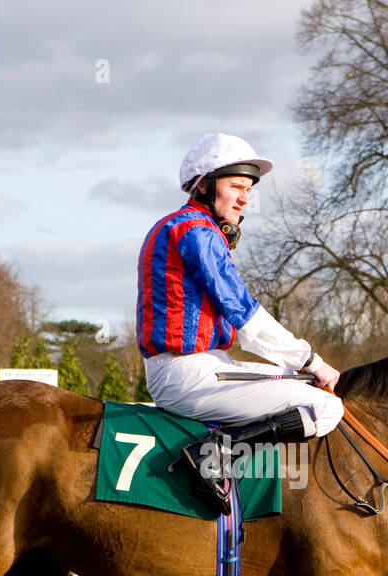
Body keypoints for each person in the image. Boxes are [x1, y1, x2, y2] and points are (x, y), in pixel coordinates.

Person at [137, 133, 343, 513]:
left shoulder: (190, 229)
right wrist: (311, 361)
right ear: (204, 185)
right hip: (187, 373)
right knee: (327, 408)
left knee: (300, 385)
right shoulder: (195, 230)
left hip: (208, 366)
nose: (245, 198)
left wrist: (297, 368)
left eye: (248, 189)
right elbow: (245, 318)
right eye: (235, 186)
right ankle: (211, 456)